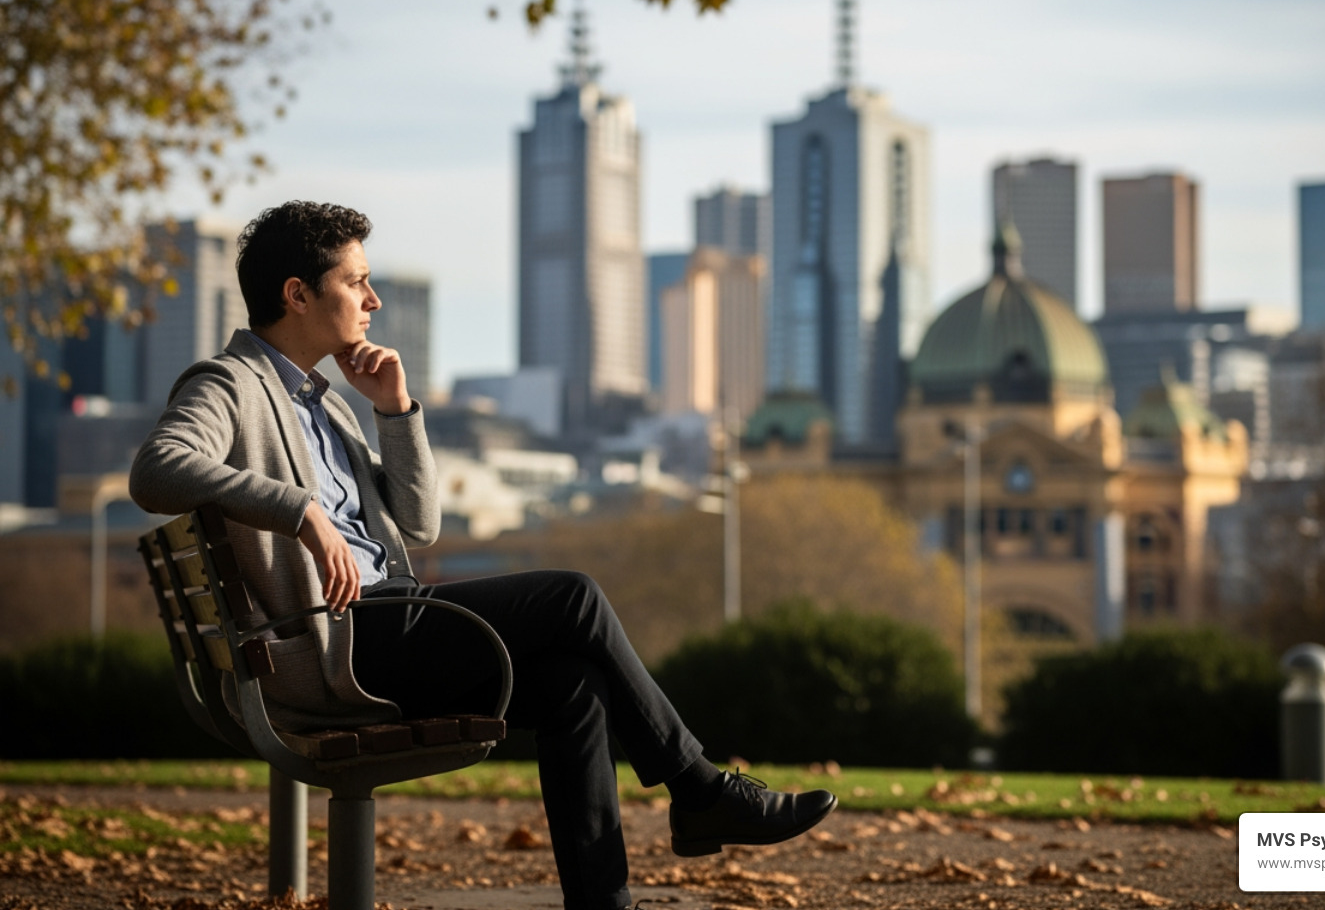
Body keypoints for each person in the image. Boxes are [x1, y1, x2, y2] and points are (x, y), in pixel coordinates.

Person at [129, 200, 836, 910]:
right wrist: (302, 511)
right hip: (342, 642)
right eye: (356, 282)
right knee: (573, 597)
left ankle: (606, 902)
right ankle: (699, 788)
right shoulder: (229, 383)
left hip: (382, 626)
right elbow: (157, 469)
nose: (372, 300)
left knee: (571, 686)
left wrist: (396, 410)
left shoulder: (329, 404)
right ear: (298, 293)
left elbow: (420, 525)